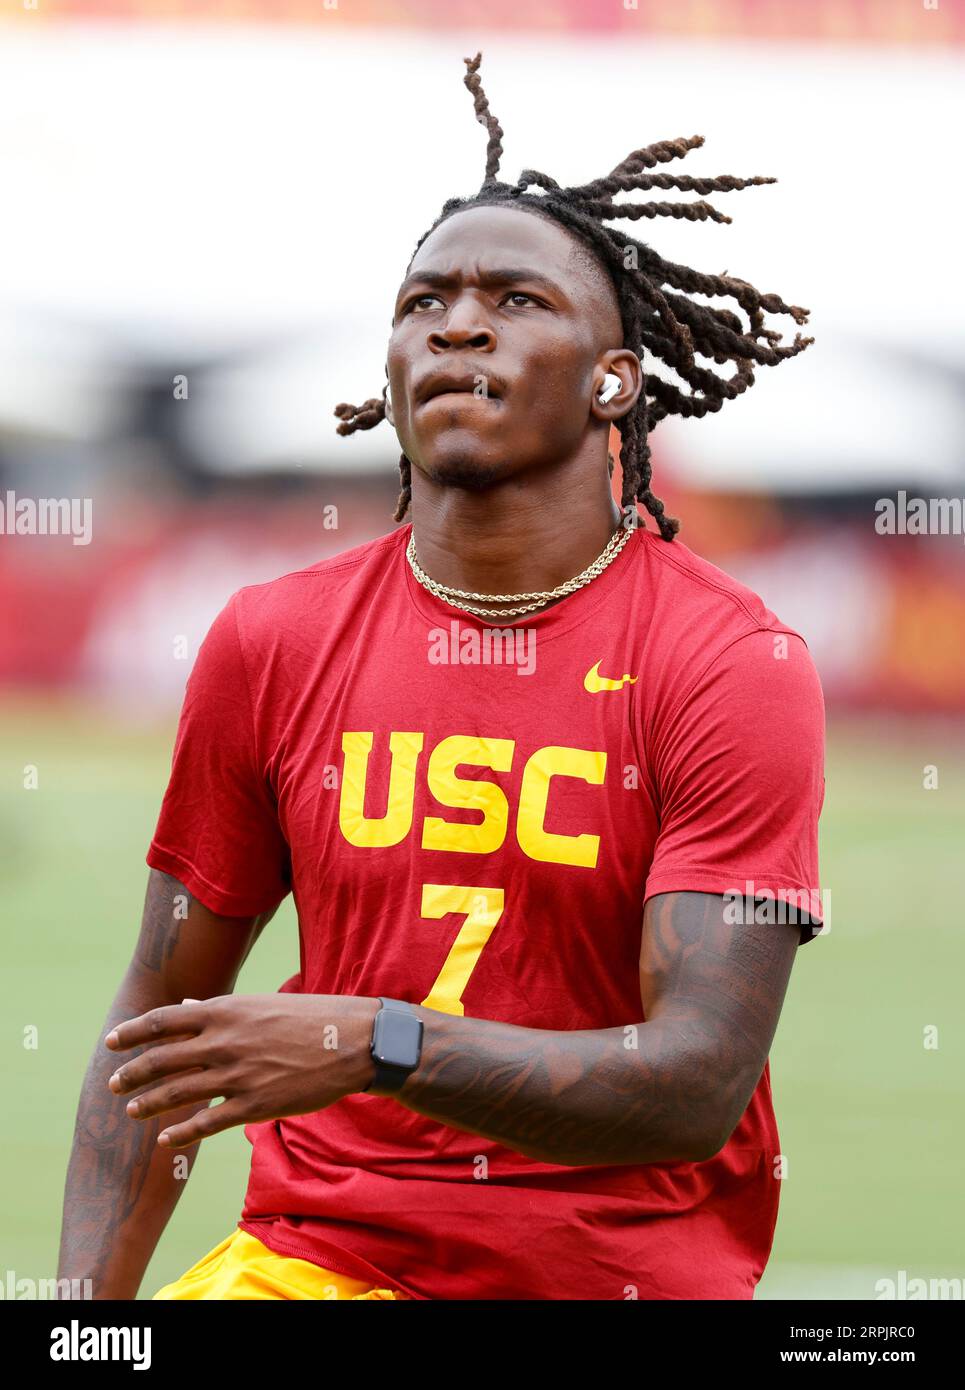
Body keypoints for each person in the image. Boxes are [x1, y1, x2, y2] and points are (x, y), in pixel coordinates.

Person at [58, 53, 824, 1301]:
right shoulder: (272, 638)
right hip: (314, 1260)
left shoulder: (727, 663)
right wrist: (89, 1323)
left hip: (609, 1279)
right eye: (425, 302)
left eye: (515, 299)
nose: (456, 323)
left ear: (613, 382)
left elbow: (693, 1085)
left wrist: (377, 1042)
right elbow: (159, 1005)